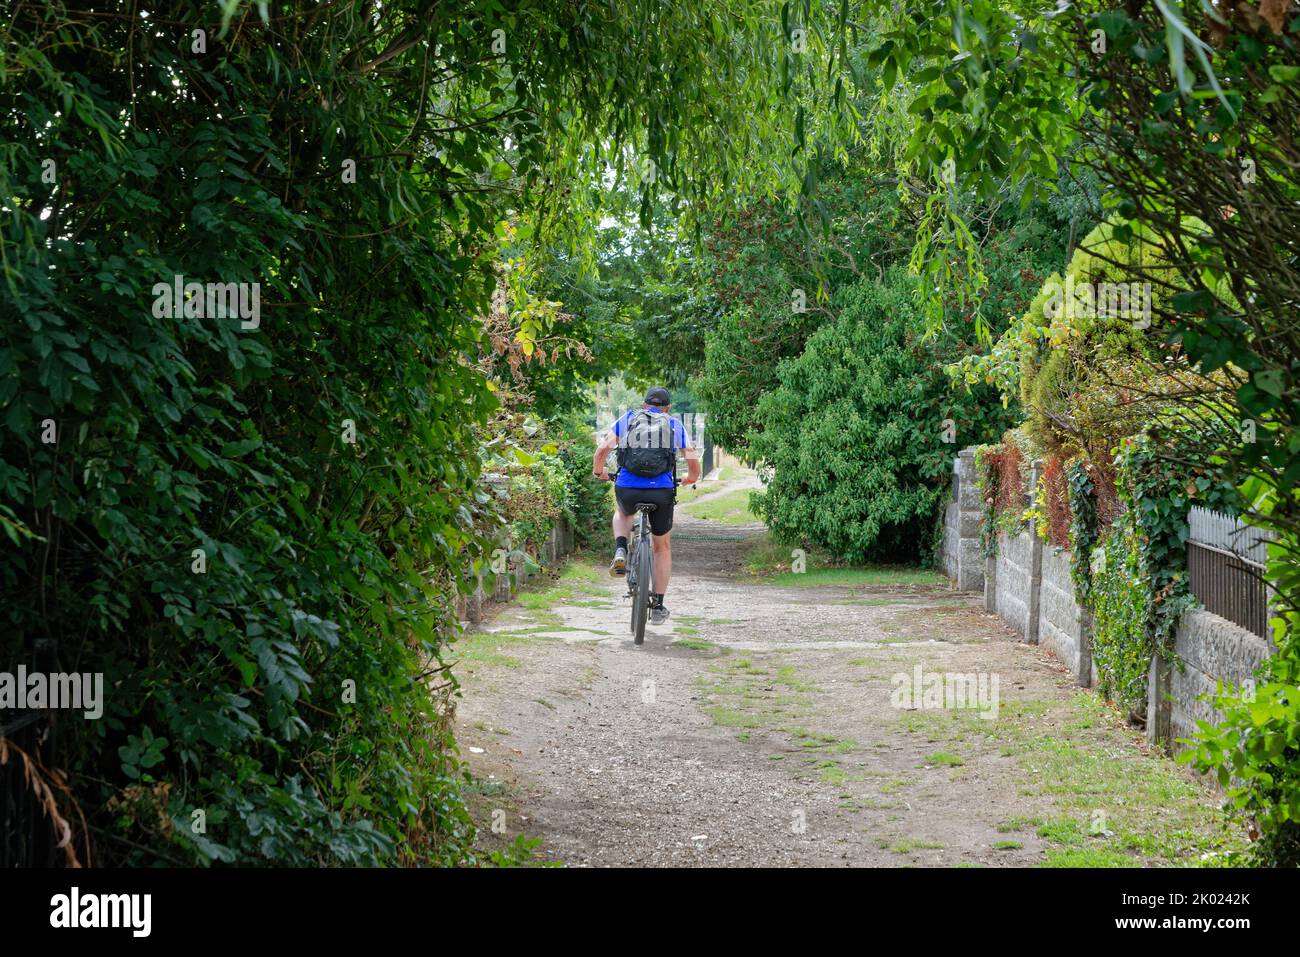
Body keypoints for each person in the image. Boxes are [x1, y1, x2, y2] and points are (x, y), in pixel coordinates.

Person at [592, 387, 700, 625]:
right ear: (668, 408)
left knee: (622, 513)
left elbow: (602, 449)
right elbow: (691, 456)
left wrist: (599, 471)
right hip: (661, 492)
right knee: (662, 547)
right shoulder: (673, 424)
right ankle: (659, 605)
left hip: (628, 487)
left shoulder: (630, 418)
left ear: (644, 405)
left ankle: (620, 549)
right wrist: (691, 478)